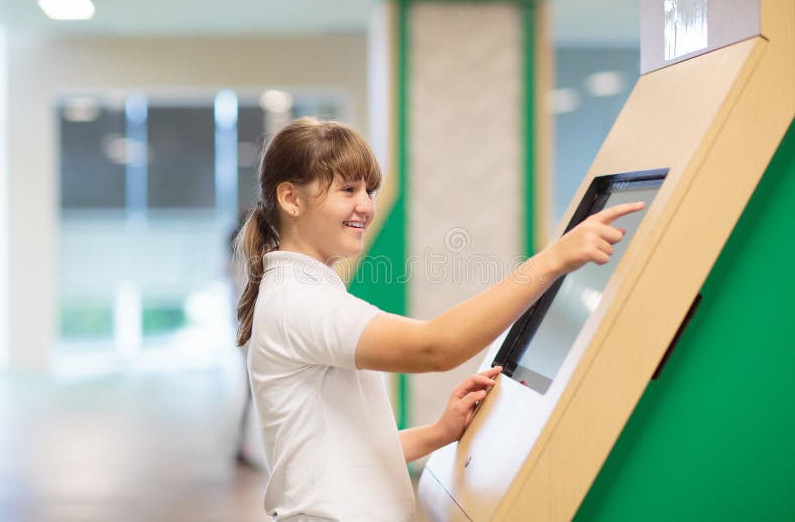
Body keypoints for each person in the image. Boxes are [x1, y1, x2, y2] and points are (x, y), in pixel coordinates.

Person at [234, 117, 643, 521]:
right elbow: (437, 347)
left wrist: (439, 432)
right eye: (348, 190)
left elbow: (341, 451)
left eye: (369, 190)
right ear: (290, 198)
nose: (366, 205)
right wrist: (551, 261)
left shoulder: (301, 291)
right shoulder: (299, 300)